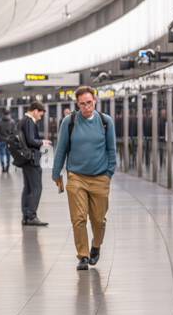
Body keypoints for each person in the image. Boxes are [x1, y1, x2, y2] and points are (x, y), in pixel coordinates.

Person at [52, 86, 116, 269]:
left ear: (95, 100)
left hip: (100, 177)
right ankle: (83, 256)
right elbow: (61, 148)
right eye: (82, 104)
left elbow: (112, 149)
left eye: (89, 103)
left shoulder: (105, 121)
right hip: (76, 177)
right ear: (77, 104)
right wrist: (56, 173)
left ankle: (96, 246)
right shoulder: (69, 121)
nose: (87, 107)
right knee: (78, 218)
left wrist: (109, 173)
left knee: (98, 219)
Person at [17, 102, 47, 226]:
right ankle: (31, 216)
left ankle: (26, 216)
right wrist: (41, 142)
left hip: (25, 160)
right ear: (35, 111)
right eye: (40, 115)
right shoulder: (29, 121)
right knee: (36, 187)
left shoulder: (22, 120)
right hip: (31, 159)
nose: (40, 117)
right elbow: (30, 140)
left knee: (28, 187)